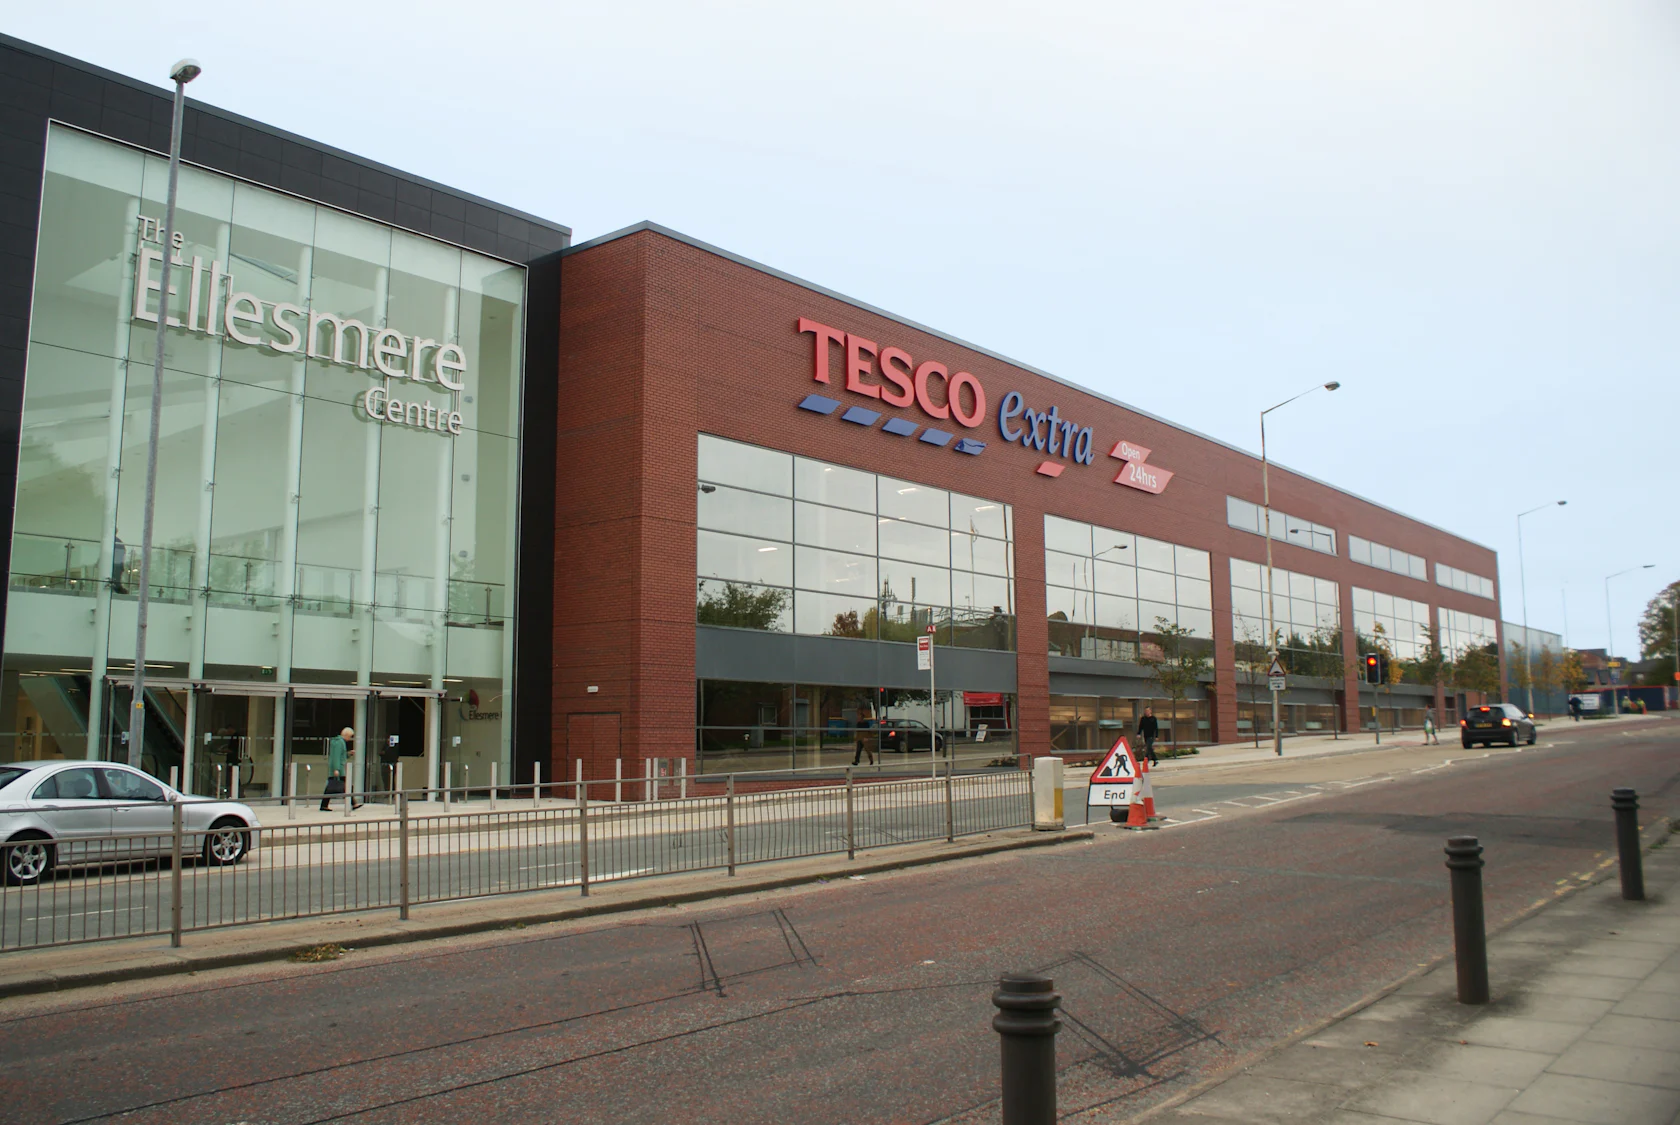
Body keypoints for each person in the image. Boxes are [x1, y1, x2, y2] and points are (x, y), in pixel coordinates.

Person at [320, 726, 359, 811]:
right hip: (339, 769)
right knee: (346, 786)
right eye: (350, 736)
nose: (350, 738)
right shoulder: (340, 743)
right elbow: (336, 756)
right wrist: (336, 769)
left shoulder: (338, 742)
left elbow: (341, 755)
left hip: (337, 768)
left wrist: (348, 754)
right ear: (347, 735)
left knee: (331, 787)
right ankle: (354, 803)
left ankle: (324, 805)